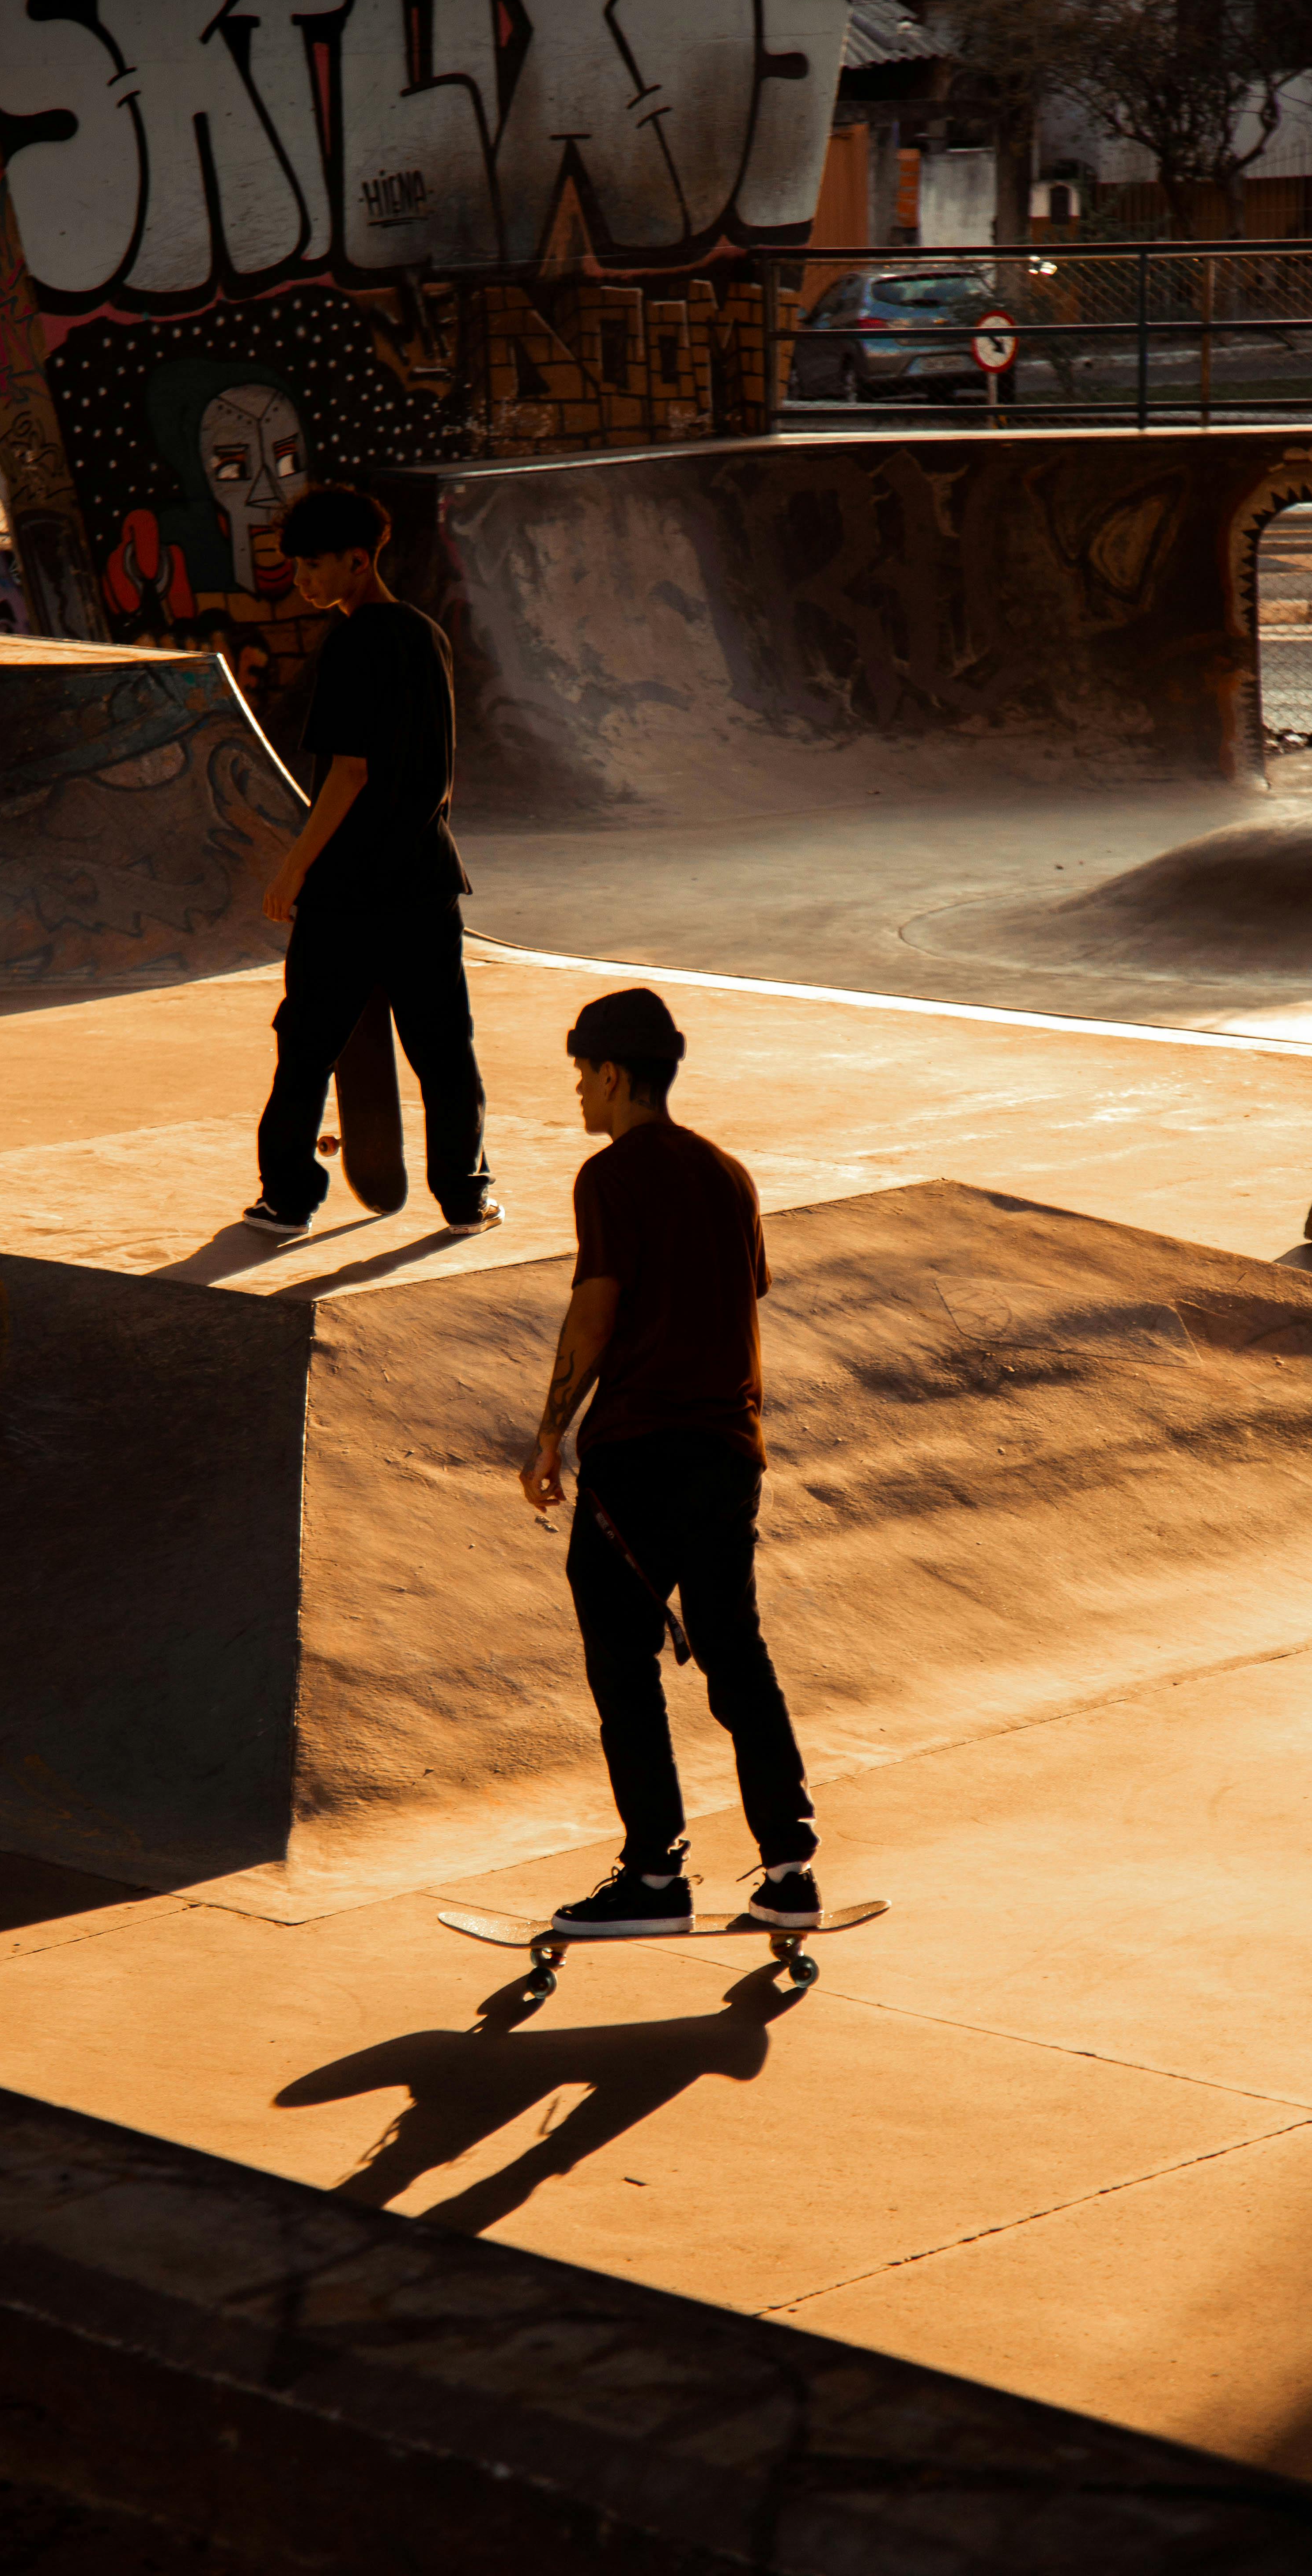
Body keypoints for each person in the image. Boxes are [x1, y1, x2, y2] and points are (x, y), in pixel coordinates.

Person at [519, 988, 820, 1937]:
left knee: (623, 1661)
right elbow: (741, 1296)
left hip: (639, 1452)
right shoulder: (728, 1175)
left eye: (581, 1077)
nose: (578, 1097)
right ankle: (788, 1868)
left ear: (613, 1074)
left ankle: (653, 1878)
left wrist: (549, 1430)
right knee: (734, 1650)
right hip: (730, 1452)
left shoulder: (610, 1176)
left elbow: (596, 1310)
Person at [246, 483, 500, 1240]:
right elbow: (441, 770)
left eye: (315, 567)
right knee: (444, 1049)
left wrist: (294, 867)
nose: (304, 582)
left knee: (307, 1046)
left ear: (359, 562)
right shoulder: (428, 636)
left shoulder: (355, 642)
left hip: (349, 892)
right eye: (297, 568)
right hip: (425, 881)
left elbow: (348, 773)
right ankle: (465, 1197)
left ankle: (287, 1198)